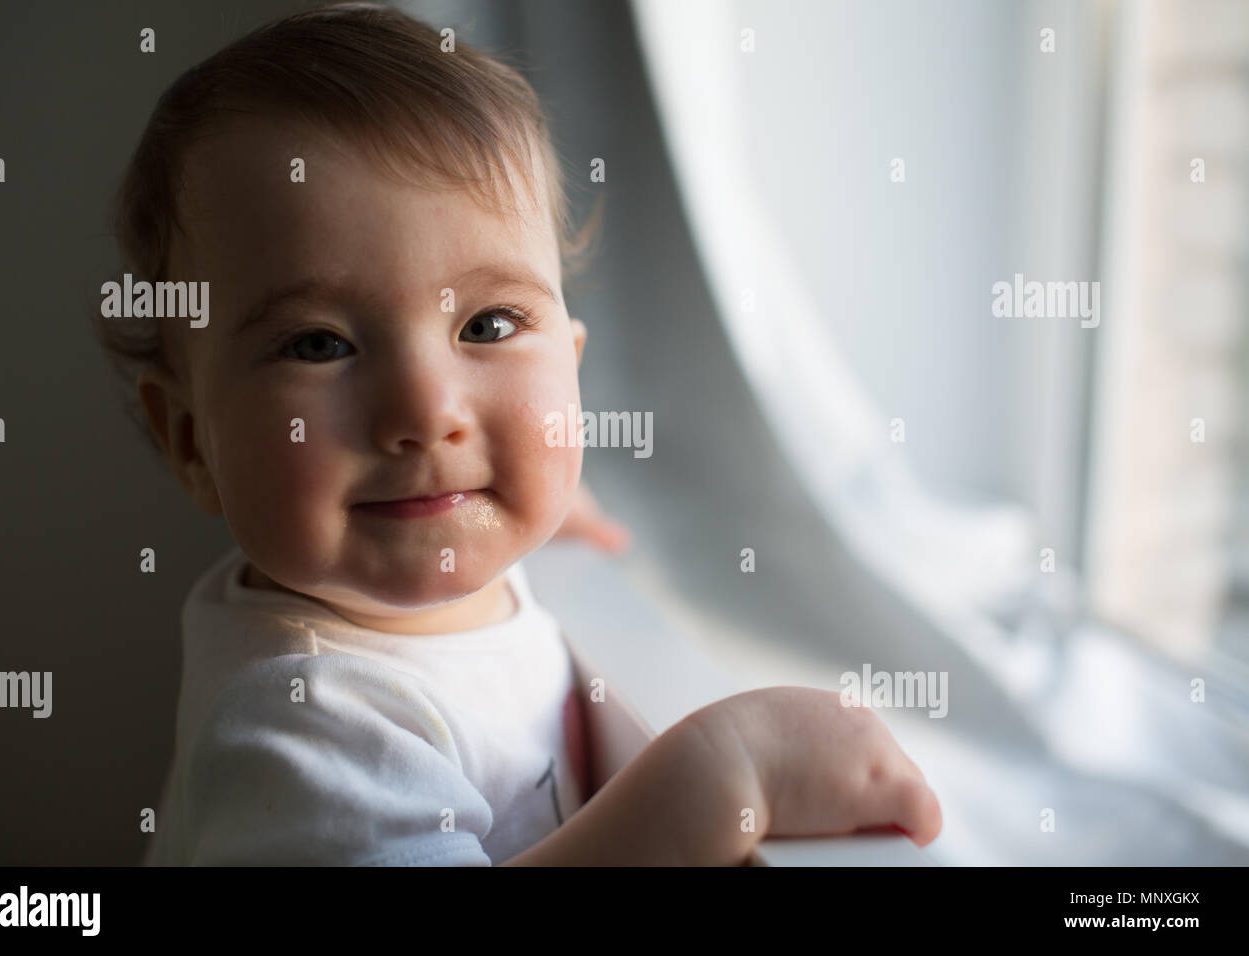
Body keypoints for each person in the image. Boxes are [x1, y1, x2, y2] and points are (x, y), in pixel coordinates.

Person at [96, 1, 941, 865]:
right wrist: (710, 780)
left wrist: (510, 492)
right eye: (319, 344)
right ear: (192, 442)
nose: (428, 414)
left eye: (490, 327)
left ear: (570, 364)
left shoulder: (420, 584)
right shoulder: (305, 726)